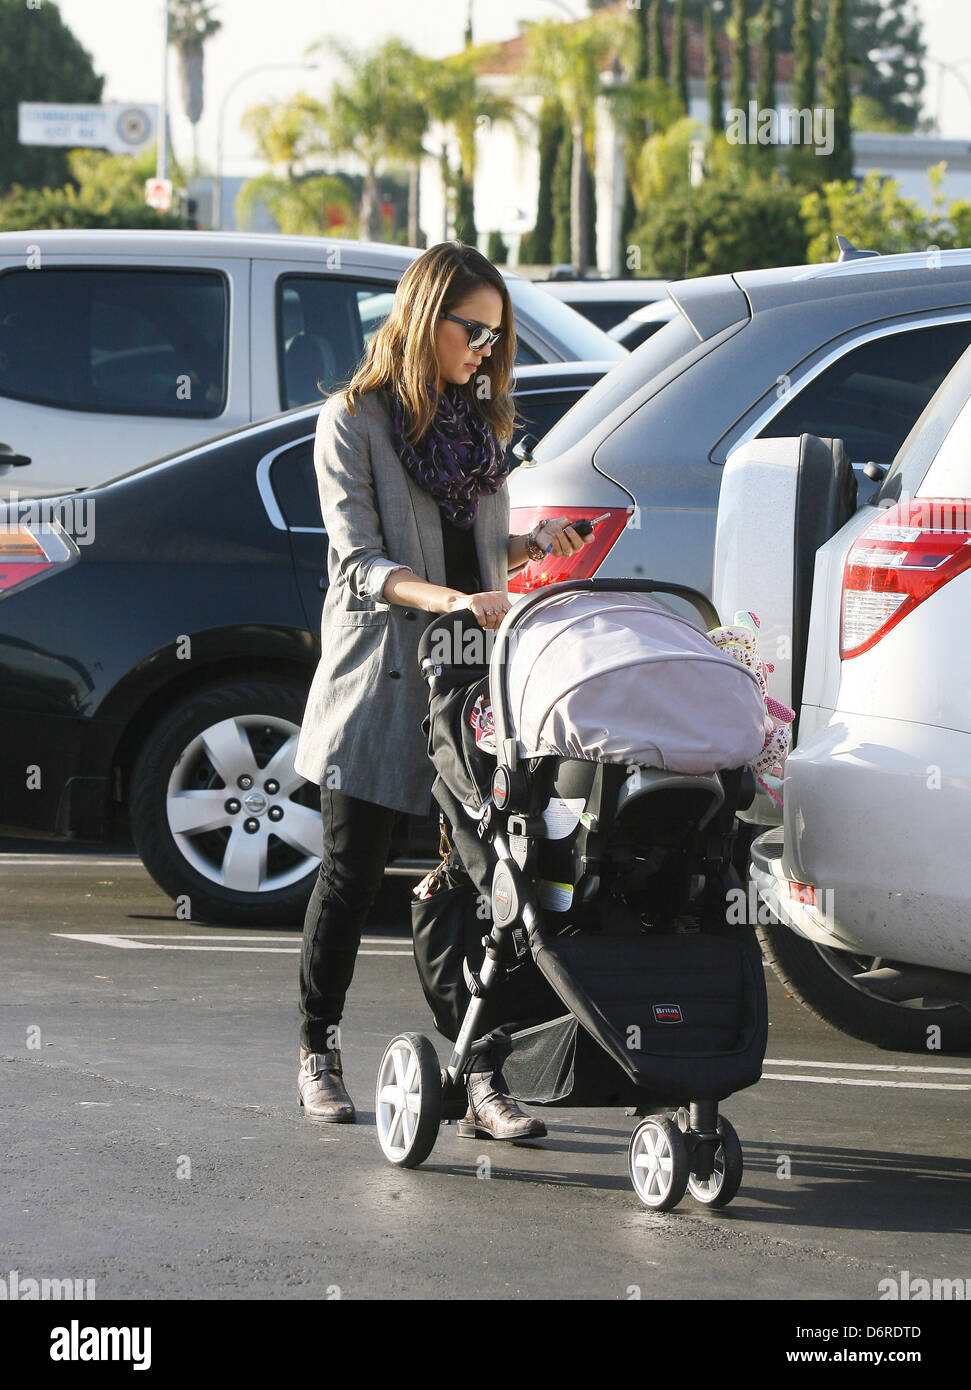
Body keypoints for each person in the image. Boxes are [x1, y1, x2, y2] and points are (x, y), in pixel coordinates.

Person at [291, 240, 591, 1138]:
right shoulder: (352, 420)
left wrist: (526, 551)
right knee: (351, 870)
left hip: (471, 681)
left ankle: (478, 1070)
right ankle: (317, 1046)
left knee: (477, 878)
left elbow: (466, 550)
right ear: (427, 319)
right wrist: (458, 597)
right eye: (474, 331)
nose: (486, 352)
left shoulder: (480, 427)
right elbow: (363, 565)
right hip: (382, 677)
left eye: (496, 338)